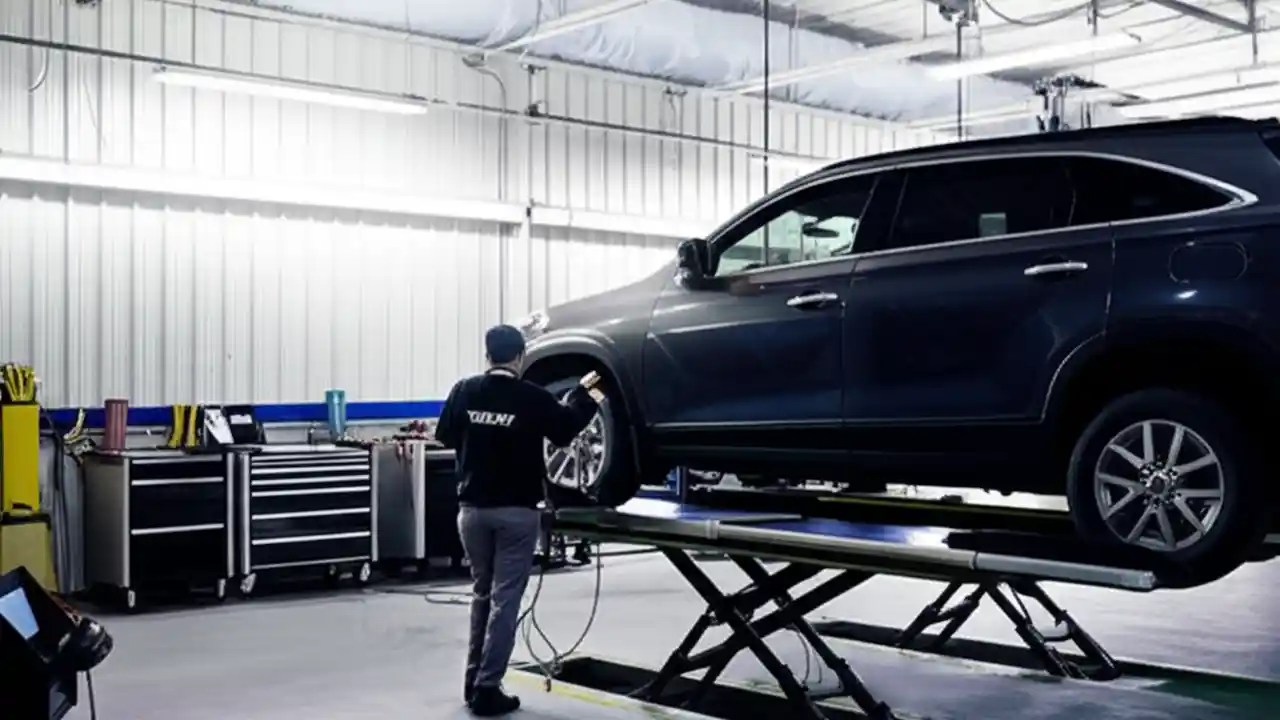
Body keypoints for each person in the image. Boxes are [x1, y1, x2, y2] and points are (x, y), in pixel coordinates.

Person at [435, 324, 604, 717]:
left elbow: (445, 436)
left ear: (487, 355)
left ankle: (473, 679)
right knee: (505, 601)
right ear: (520, 356)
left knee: (482, 594)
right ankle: (488, 689)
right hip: (516, 514)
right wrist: (589, 394)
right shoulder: (532, 398)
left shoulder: (464, 390)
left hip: (472, 513)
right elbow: (565, 431)